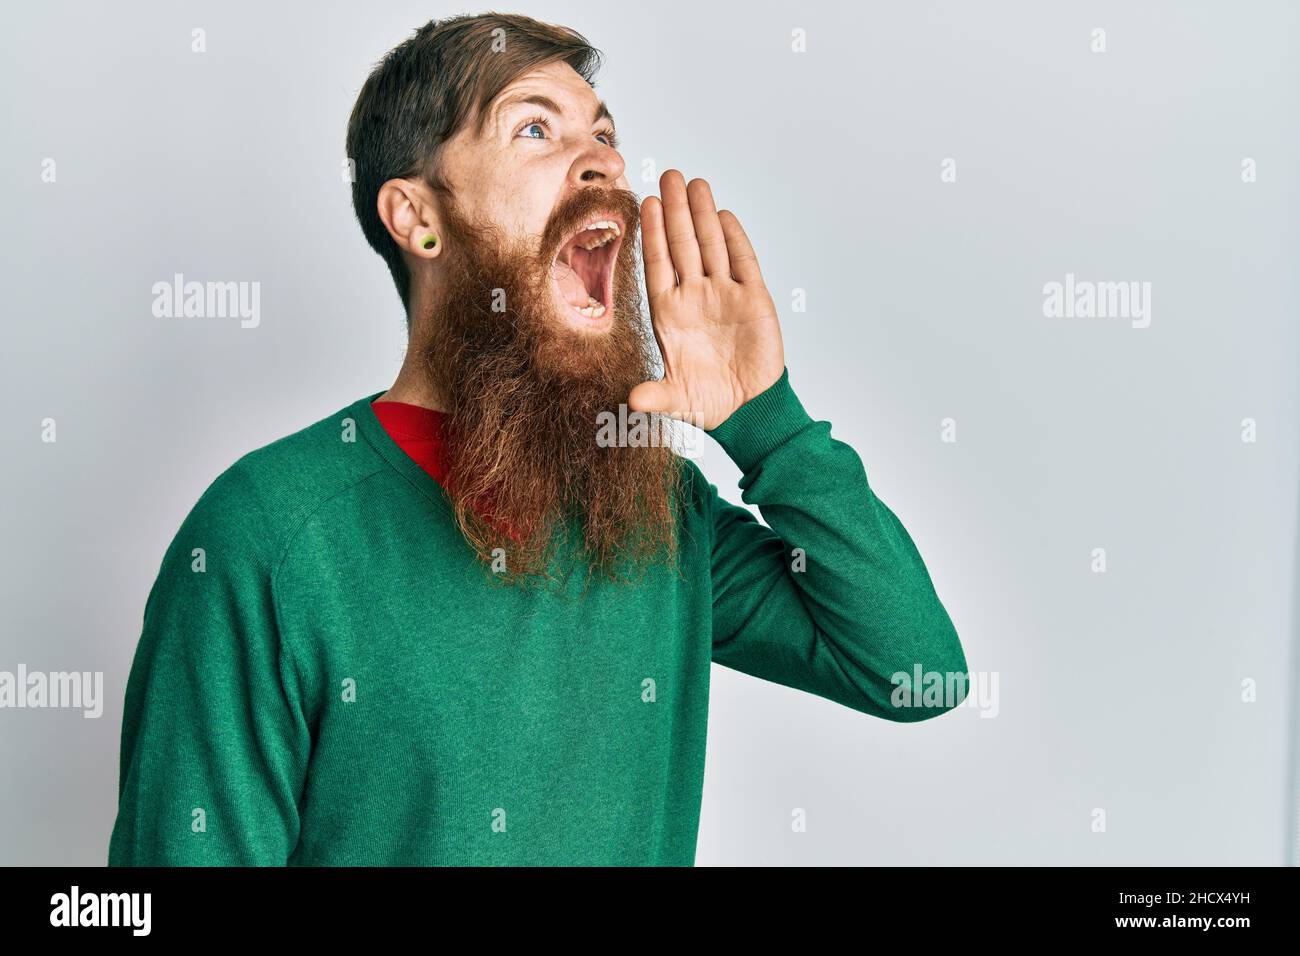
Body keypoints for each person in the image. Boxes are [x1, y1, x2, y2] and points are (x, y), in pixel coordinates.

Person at [108, 12, 968, 866]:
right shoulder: (267, 535)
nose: (604, 159)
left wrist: (764, 420)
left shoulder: (661, 509)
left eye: (603, 133)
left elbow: (910, 670)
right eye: (533, 128)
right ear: (419, 218)